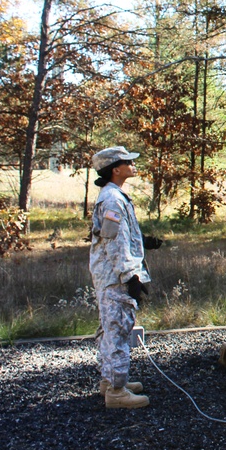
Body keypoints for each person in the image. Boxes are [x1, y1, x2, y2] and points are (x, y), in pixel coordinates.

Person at [89, 146, 152, 409]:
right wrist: (130, 277)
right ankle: (117, 391)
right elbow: (114, 242)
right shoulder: (113, 199)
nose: (133, 165)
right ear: (115, 169)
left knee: (110, 327)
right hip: (115, 277)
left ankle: (110, 380)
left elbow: (114, 234)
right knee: (117, 330)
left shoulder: (113, 195)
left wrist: (144, 241)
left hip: (109, 273)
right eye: (127, 162)